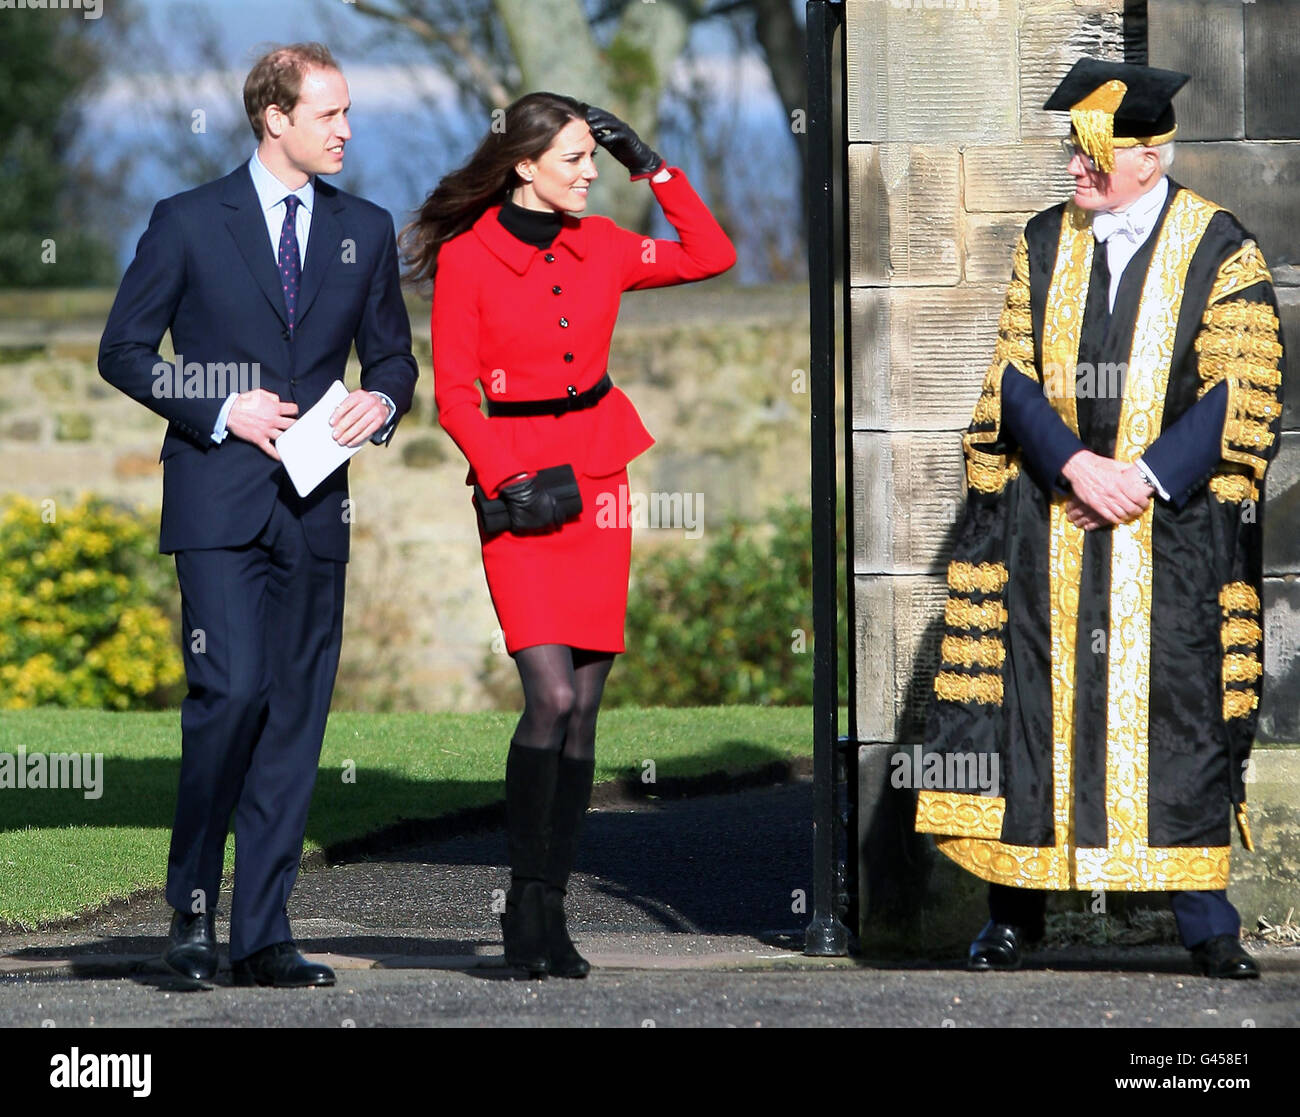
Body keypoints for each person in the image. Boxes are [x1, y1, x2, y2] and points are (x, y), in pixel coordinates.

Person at [915, 58, 1285, 978]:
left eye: (1092, 156)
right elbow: (1011, 377)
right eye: (1074, 153)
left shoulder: (1221, 248)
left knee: (1182, 712)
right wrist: (1076, 465)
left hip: (1173, 534)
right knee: (1032, 710)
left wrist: (1145, 477)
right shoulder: (1044, 243)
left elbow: (1238, 392)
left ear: (1150, 158)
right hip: (1054, 521)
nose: (1075, 172)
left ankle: (1207, 922)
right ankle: (1015, 915)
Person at [99, 43, 418, 987]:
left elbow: (394, 358)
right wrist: (218, 405)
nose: (348, 130)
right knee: (229, 695)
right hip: (216, 500)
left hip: (318, 510)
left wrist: (384, 402)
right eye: (330, 115)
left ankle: (264, 933)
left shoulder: (365, 226)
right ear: (275, 118)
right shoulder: (189, 221)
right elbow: (123, 351)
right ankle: (191, 913)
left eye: (349, 112)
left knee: (295, 716)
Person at [405, 92, 735, 977]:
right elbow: (456, 393)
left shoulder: (604, 244)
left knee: (586, 709)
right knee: (547, 696)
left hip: (598, 477)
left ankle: (552, 908)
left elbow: (714, 253)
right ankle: (523, 897)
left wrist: (650, 164)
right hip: (520, 483)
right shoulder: (467, 259)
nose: (591, 173)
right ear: (524, 165)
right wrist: (503, 471)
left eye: (596, 157)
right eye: (576, 158)